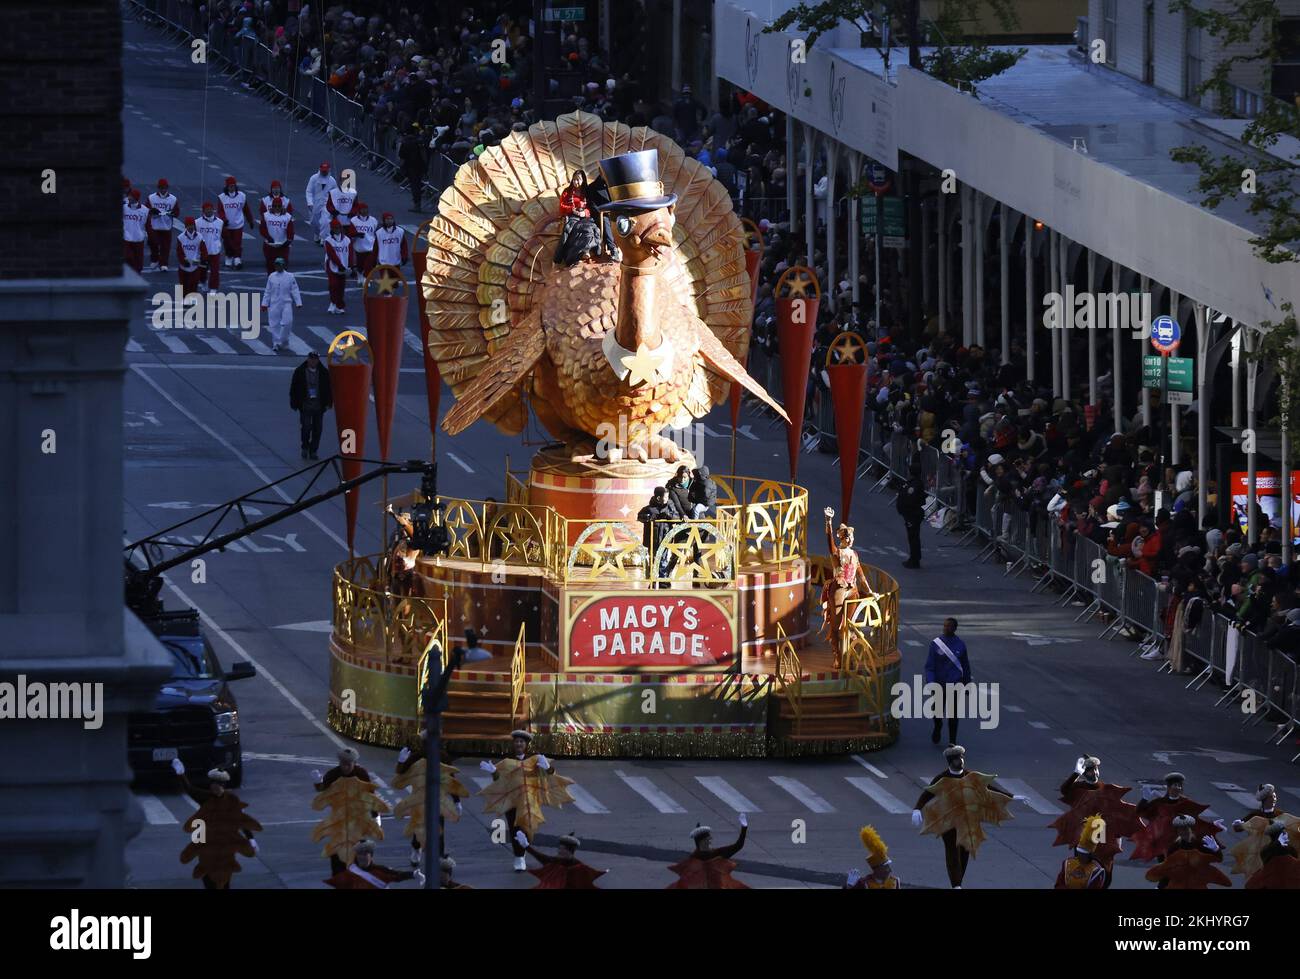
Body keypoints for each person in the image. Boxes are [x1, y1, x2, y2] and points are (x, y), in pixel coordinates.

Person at [912, 745, 1019, 888]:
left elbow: (987, 789)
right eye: (957, 758)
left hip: (968, 821)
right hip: (948, 822)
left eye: (962, 757)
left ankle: (957, 883)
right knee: (952, 852)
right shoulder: (942, 778)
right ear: (950, 761)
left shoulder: (970, 776)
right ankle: (956, 885)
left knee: (964, 852)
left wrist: (1011, 796)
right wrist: (917, 809)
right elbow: (928, 794)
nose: (961, 760)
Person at [478, 730, 575, 872]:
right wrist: (494, 772)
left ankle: (523, 850)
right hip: (512, 801)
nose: (518, 744)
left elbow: (550, 776)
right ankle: (519, 857)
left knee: (528, 828)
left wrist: (548, 768)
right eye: (516, 741)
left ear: (526, 744)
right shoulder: (507, 761)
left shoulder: (534, 760)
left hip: (529, 801)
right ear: (513, 744)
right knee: (514, 828)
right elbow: (500, 782)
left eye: (521, 742)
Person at [171, 758, 260, 889]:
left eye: (218, 785)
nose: (215, 788)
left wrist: (251, 839)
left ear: (223, 786)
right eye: (213, 785)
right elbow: (189, 789)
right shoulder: (205, 797)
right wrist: (181, 773)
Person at [821, 507, 865, 664]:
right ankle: (837, 655)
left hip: (852, 589)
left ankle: (849, 652)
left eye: (852, 537)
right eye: (849, 537)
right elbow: (829, 542)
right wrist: (828, 522)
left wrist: (870, 590)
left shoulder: (854, 554)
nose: (851, 539)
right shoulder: (837, 552)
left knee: (849, 624)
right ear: (843, 538)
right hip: (839, 587)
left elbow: (860, 574)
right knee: (836, 624)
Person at [924, 618, 972, 745]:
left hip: (955, 684)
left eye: (949, 626)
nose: (946, 628)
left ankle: (952, 741)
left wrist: (967, 684)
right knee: (937, 711)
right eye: (945, 626)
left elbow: (965, 665)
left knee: (953, 714)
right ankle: (938, 726)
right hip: (939, 684)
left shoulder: (960, 645)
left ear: (955, 628)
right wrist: (930, 682)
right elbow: (930, 666)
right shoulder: (936, 643)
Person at [666, 816, 749, 889]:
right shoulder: (693, 861)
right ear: (701, 842)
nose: (710, 841)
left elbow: (737, 846)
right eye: (708, 840)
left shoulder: (717, 854)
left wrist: (744, 828)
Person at [515, 830, 607, 889]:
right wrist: (525, 846)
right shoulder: (556, 862)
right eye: (559, 848)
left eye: (561, 849)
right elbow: (541, 857)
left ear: (568, 851)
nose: (558, 851)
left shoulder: (579, 867)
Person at [323, 839, 423, 889]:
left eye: (365, 854)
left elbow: (397, 875)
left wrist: (414, 874)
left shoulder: (380, 871)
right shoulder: (349, 870)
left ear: (371, 855)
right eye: (359, 854)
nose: (361, 857)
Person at [290, 351, 332, 459]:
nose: (313, 361)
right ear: (308, 359)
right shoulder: (299, 372)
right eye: (311, 359)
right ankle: (305, 447)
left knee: (318, 429)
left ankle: (313, 450)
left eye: (315, 359)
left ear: (318, 360)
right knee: (306, 428)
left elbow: (329, 389)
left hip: (319, 405)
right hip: (305, 405)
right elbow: (293, 388)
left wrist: (329, 403)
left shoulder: (324, 373)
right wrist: (295, 403)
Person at [555, 170, 601, 266]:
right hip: (572, 216)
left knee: (591, 229)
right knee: (574, 229)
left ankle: (586, 250)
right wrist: (572, 210)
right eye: (574, 179)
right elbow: (562, 207)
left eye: (579, 180)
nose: (576, 182)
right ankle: (573, 256)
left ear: (583, 180)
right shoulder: (567, 192)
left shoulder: (587, 192)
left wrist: (585, 213)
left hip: (585, 217)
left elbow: (591, 206)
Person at [1055, 814, 1109, 889]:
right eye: (1079, 853)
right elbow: (1058, 885)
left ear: (1090, 855)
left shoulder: (1096, 871)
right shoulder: (1068, 864)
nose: (1080, 856)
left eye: (1083, 854)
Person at [262, 257, 302, 353]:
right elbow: (267, 291)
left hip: (286, 302)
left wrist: (298, 302)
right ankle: (276, 343)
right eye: (276, 265)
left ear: (283, 266)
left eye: (279, 265)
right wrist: (264, 304)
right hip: (274, 303)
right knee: (274, 324)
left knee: (288, 322)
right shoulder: (271, 276)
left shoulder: (290, 276)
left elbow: (294, 290)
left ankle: (284, 340)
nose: (277, 267)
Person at [845, 825, 900, 889]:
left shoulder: (895, 881)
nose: (890, 870)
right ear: (877, 869)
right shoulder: (864, 883)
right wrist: (849, 887)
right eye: (886, 867)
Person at [217, 176, 254, 269]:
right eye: (230, 186)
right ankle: (228, 258)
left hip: (238, 224)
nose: (232, 188)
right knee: (228, 243)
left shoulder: (242, 196)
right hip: (227, 225)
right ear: (226, 187)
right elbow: (220, 211)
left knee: (237, 242)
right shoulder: (222, 197)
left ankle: (237, 259)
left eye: (233, 186)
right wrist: (224, 220)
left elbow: (246, 209)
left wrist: (250, 220)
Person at [896, 459, 926, 568]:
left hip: (913, 514)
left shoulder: (915, 484)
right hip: (909, 514)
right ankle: (914, 557)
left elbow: (914, 499)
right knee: (912, 537)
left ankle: (915, 559)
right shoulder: (911, 483)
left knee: (913, 537)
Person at [323, 220, 355, 314]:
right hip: (332, 266)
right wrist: (340, 265)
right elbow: (331, 255)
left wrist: (350, 266)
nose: (337, 229)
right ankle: (332, 303)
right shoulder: (328, 240)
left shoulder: (347, 240)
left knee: (341, 286)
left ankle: (339, 306)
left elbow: (350, 254)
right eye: (335, 228)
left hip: (344, 266)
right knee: (333, 285)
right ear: (332, 229)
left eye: (338, 227)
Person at [146, 177, 178, 271]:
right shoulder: (151, 198)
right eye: (161, 187)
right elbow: (146, 209)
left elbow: (177, 212)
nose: (163, 189)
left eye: (164, 187)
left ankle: (163, 263)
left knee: (165, 246)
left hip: (166, 226)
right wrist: (152, 211)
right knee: (153, 243)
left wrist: (173, 213)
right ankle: (155, 259)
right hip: (155, 225)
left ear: (167, 188)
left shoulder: (173, 199)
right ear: (158, 188)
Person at [304, 162, 338, 244]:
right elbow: (309, 191)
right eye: (323, 171)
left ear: (329, 170)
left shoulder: (332, 180)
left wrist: (335, 206)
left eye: (326, 171)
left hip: (326, 204)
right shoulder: (313, 178)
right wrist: (310, 203)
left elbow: (335, 194)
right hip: (315, 204)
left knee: (325, 221)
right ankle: (317, 233)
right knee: (314, 221)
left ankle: (324, 238)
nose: (324, 172)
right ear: (320, 170)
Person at [194, 202, 224, 293]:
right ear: (203, 211)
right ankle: (203, 282)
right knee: (202, 270)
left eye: (210, 208)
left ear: (213, 209)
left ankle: (213, 288)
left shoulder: (220, 222)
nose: (209, 210)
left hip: (215, 251)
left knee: (215, 271)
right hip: (202, 252)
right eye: (206, 209)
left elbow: (223, 235)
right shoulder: (197, 222)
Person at [399, 122, 429, 211]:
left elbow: (401, 155)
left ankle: (417, 205)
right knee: (417, 184)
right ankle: (417, 204)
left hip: (411, 166)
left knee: (414, 185)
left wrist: (401, 167)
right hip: (419, 165)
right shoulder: (419, 141)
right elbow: (424, 154)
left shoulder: (406, 141)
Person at [259, 197, 294, 273]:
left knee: (283, 267)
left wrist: (289, 240)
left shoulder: (287, 217)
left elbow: (290, 230)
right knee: (270, 267)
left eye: (279, 206)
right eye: (275, 206)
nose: (277, 208)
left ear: (282, 206)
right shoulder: (266, 216)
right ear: (272, 206)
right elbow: (262, 229)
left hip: (283, 246)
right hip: (270, 245)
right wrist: (268, 237)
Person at [175, 217, 205, 297]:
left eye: (192, 225)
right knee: (184, 284)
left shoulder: (199, 237)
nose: (190, 227)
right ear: (185, 226)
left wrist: (203, 260)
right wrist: (183, 261)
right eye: (188, 225)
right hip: (184, 266)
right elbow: (179, 252)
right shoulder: (180, 237)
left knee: (194, 283)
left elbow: (203, 250)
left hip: (195, 265)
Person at [122, 189, 148, 273]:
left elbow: (148, 225)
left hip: (138, 239)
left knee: (138, 263)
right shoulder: (123, 207)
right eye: (129, 196)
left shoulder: (145, 210)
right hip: (126, 238)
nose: (128, 198)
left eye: (131, 196)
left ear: (136, 198)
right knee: (128, 257)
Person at [350, 201, 379, 277]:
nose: (365, 211)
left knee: (368, 265)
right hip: (358, 247)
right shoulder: (353, 220)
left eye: (366, 209)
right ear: (359, 210)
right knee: (360, 266)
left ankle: (366, 280)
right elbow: (351, 232)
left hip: (370, 247)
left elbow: (376, 232)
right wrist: (357, 234)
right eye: (363, 209)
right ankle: (360, 275)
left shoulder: (373, 220)